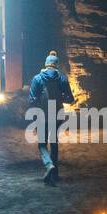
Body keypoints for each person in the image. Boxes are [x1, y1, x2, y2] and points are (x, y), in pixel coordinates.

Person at [28, 50, 74, 185]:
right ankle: (55, 175)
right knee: (54, 143)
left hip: (42, 114)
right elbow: (70, 99)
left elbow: (32, 100)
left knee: (42, 144)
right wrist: (61, 97)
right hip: (57, 114)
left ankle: (49, 165)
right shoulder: (62, 79)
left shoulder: (37, 78)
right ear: (56, 65)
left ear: (46, 64)